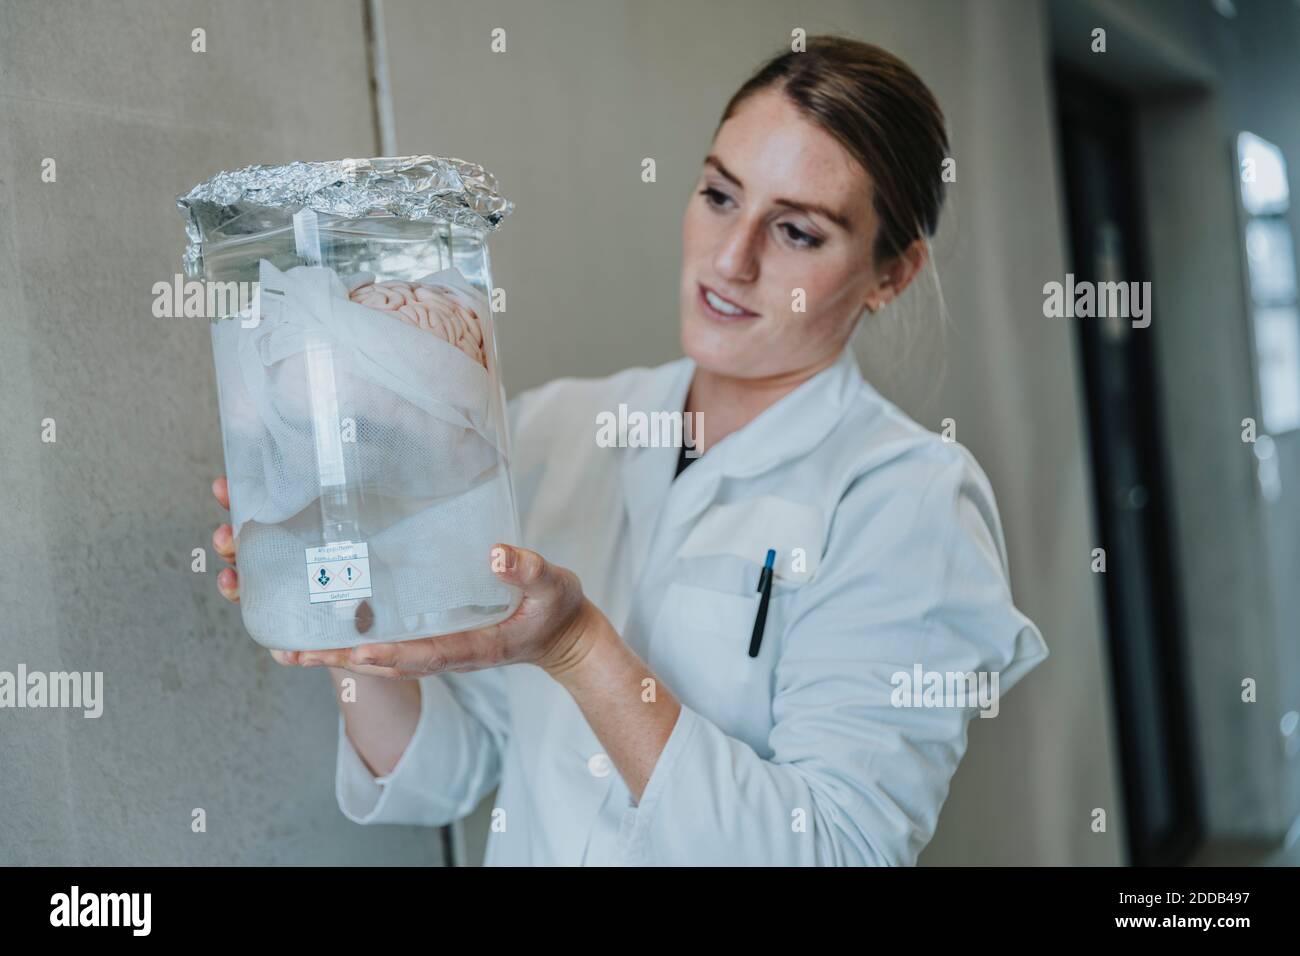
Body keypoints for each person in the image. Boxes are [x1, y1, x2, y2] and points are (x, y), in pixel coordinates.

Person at [210, 36, 1047, 865]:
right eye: (721, 195)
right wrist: (342, 611)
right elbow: (453, 768)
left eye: (795, 231)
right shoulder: (563, 428)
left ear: (892, 273)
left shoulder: (908, 502)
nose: (731, 259)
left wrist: (577, 647)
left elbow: (834, 851)